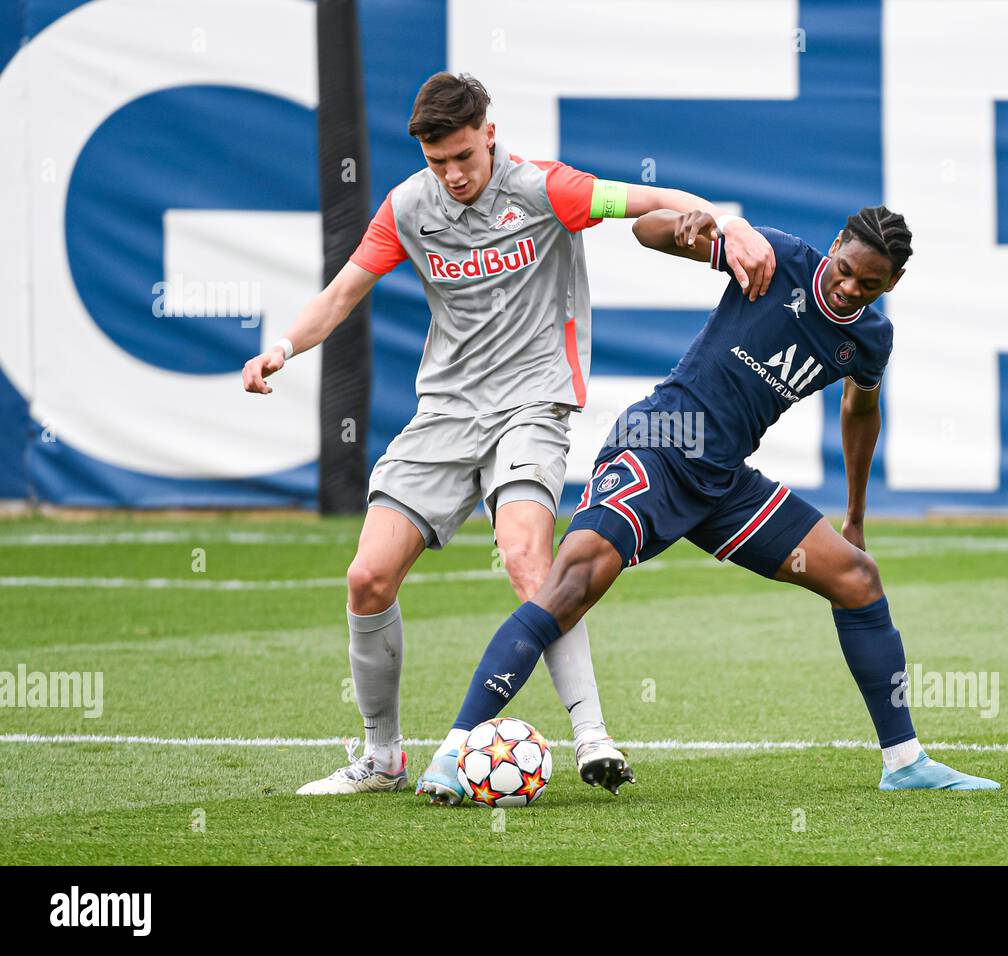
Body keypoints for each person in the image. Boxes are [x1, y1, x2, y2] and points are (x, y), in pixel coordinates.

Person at [240, 72, 776, 802]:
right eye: (439, 162)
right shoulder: (407, 208)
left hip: (532, 405)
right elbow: (339, 296)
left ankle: (592, 734)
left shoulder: (546, 190)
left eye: (463, 155)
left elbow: (651, 201)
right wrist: (280, 348)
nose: (454, 175)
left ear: (489, 134)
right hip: (446, 414)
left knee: (529, 558)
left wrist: (726, 223)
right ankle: (383, 757)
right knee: (366, 578)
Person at [427, 205, 1001, 798]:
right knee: (569, 585)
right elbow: (644, 232)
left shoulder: (869, 339)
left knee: (857, 578)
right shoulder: (773, 259)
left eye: (870, 284)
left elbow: (861, 412)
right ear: (835, 245)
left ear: (892, 285)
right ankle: (451, 753)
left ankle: (904, 762)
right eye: (847, 269)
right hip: (658, 444)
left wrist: (854, 515)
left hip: (723, 480)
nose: (850, 286)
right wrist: (687, 224)